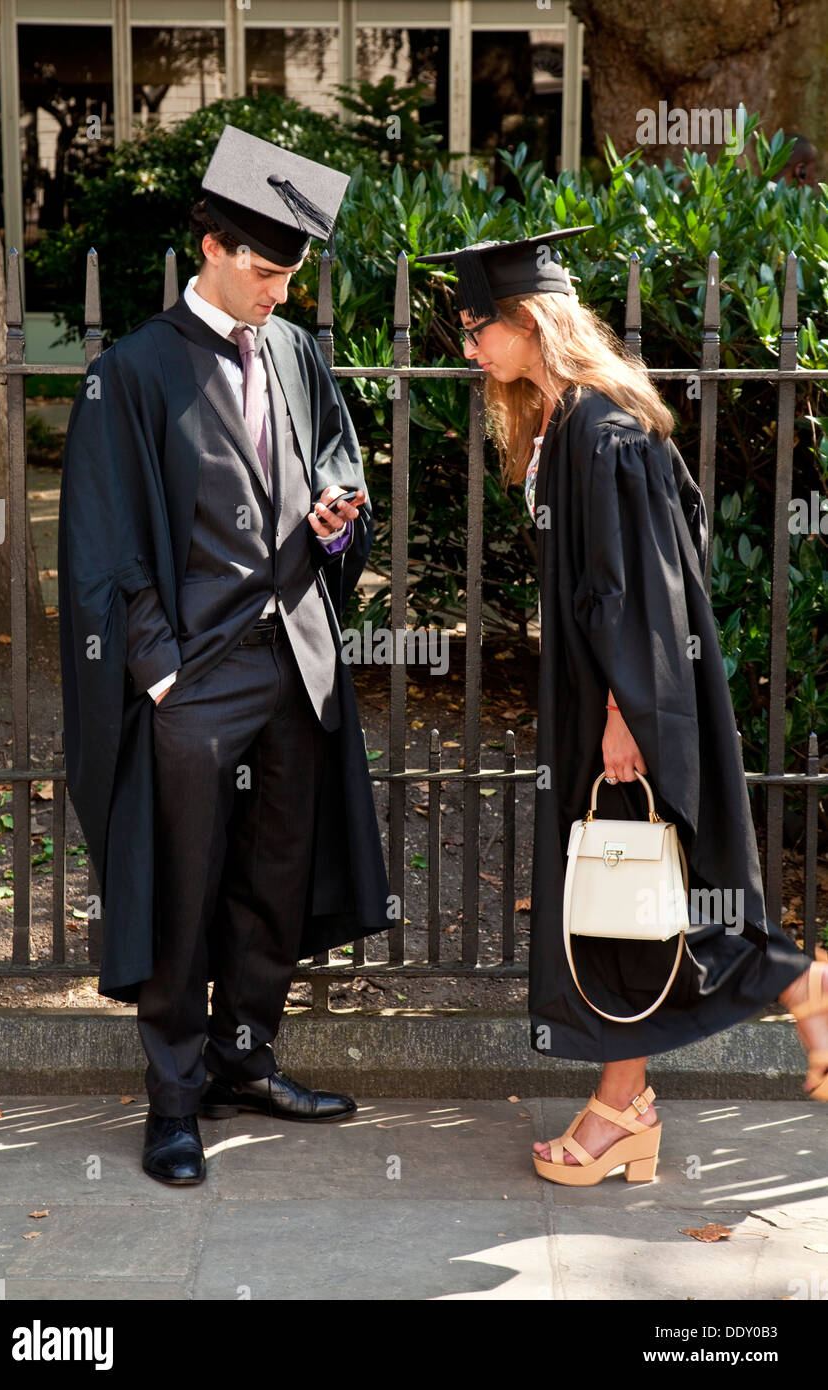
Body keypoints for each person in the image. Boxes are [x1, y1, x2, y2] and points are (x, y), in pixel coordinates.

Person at [419, 231, 828, 1186]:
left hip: (625, 701)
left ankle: (788, 990)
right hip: (600, 696)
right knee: (618, 899)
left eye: (480, 328)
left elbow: (633, 592)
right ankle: (629, 1097)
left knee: (646, 889)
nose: (470, 348)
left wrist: (618, 716)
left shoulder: (599, 432)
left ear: (531, 322)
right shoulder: (570, 423)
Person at [58, 127, 392, 1186]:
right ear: (209, 245)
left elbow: (337, 460)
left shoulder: (294, 353)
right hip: (193, 680)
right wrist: (157, 671)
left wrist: (342, 517)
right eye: (265, 271)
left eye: (292, 274)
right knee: (180, 889)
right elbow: (103, 541)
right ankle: (172, 1100)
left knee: (271, 881)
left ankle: (246, 1057)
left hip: (294, 663)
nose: (280, 294)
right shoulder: (134, 373)